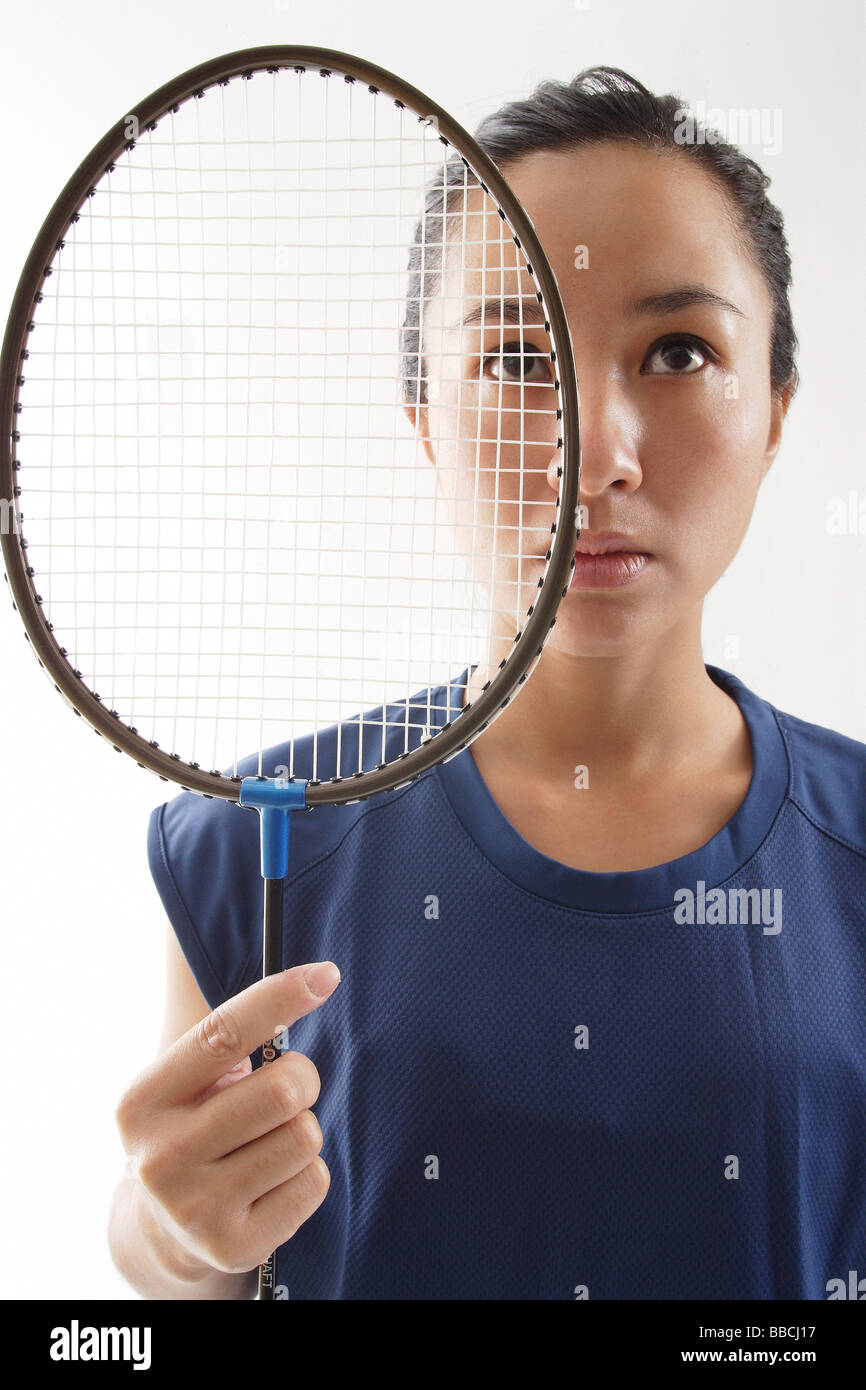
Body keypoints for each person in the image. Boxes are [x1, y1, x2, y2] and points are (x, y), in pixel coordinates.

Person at [109, 66, 866, 1300]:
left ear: (775, 407)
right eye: (518, 358)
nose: (597, 455)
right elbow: (169, 1262)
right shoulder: (261, 838)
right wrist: (175, 1236)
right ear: (423, 415)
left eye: (677, 350)